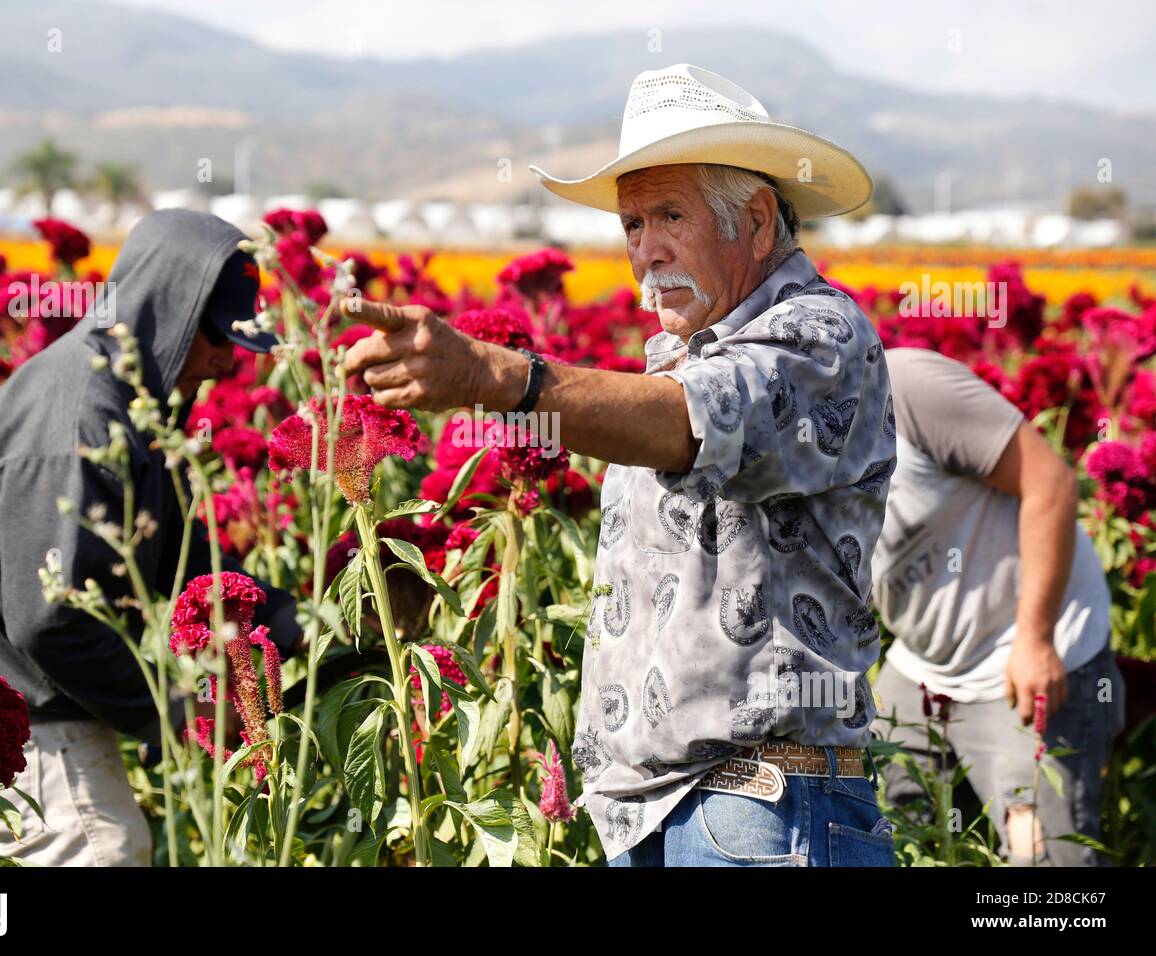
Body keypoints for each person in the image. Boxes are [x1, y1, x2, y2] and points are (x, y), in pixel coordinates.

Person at [340, 64, 897, 866]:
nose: (646, 249)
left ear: (760, 220)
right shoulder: (681, 355)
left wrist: (497, 378)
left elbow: (694, 420)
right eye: (633, 223)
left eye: (671, 214)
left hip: (764, 809)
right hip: (666, 814)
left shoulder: (817, 335)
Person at [0, 209, 302, 866]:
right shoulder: (82, 412)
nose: (226, 360)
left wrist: (286, 618)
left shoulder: (114, 396)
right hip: (42, 754)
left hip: (40, 738)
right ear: (163, 310)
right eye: (215, 334)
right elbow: (53, 621)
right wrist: (174, 711)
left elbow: (174, 554)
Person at [869, 347, 1126, 865]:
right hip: (923, 662)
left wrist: (1036, 640)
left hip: (1026, 647)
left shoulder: (903, 385)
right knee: (891, 828)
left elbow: (1050, 482)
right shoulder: (776, 431)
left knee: (1041, 857)